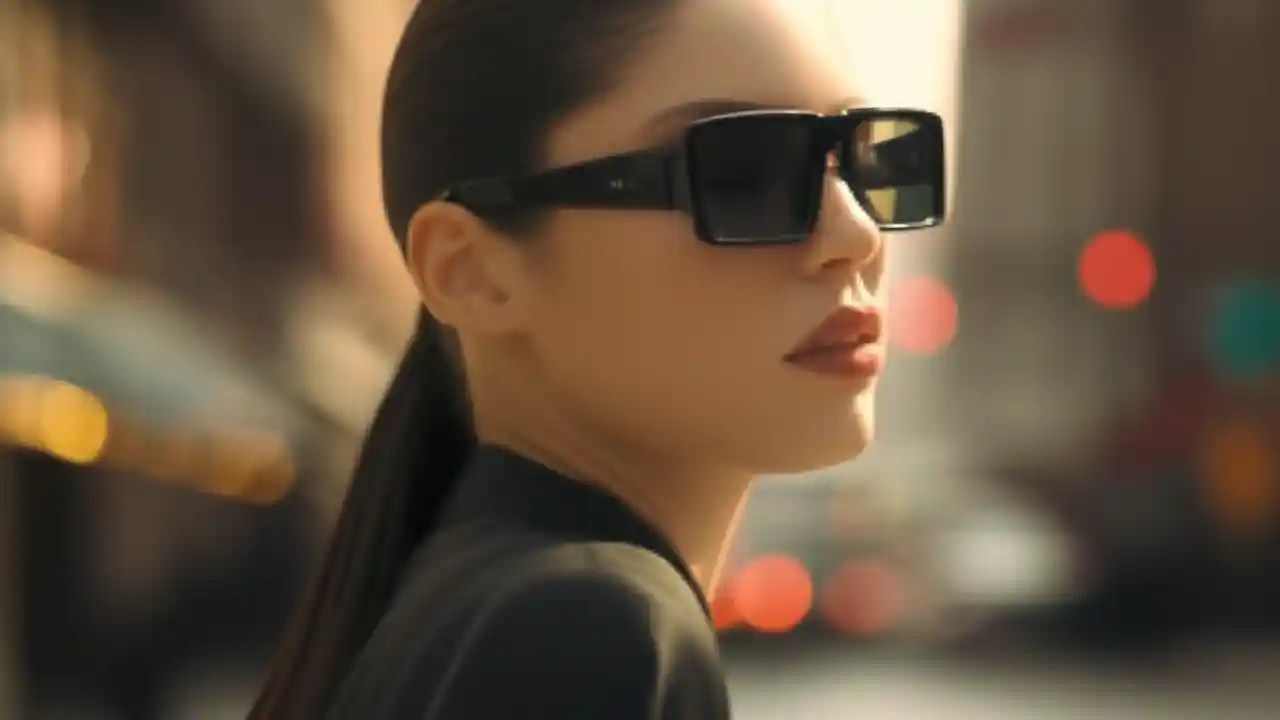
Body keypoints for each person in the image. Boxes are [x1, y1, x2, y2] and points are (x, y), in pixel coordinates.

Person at [248, 0, 945, 717]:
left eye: (866, 159)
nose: (857, 235)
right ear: (470, 271)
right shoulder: (592, 624)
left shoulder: (467, 613)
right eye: (743, 173)